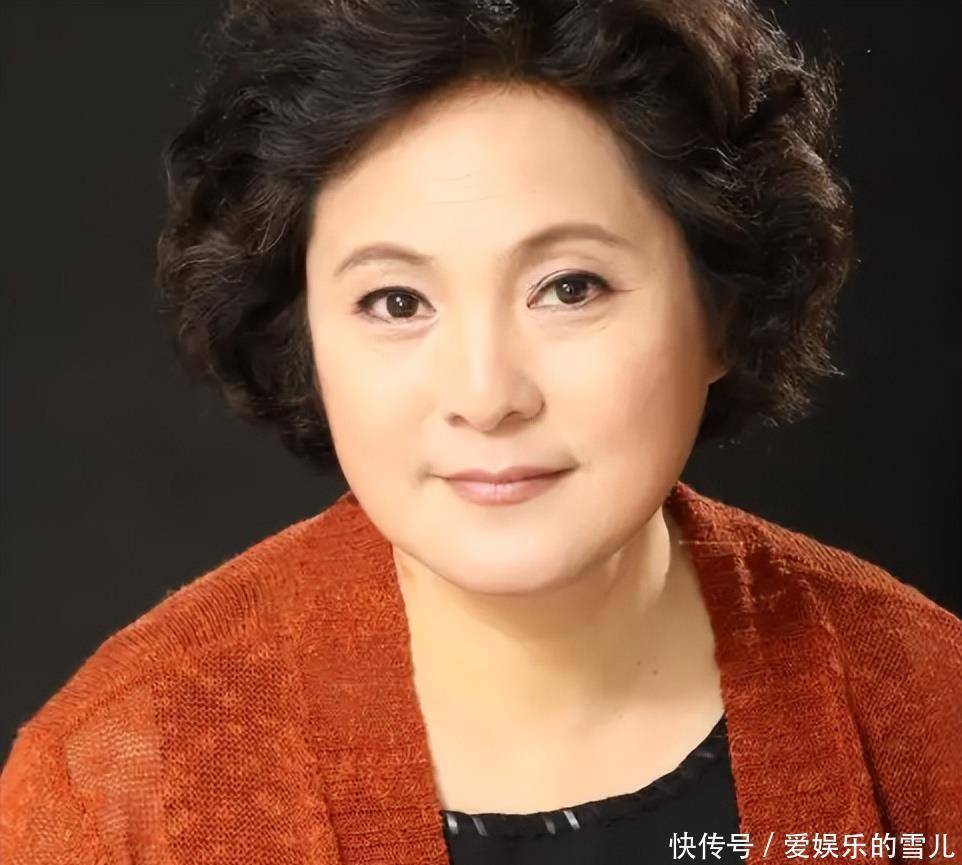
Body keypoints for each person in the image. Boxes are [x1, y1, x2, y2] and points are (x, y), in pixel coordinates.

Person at [2, 0, 960, 863]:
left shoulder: (928, 706)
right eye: (395, 300)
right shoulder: (113, 787)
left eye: (570, 287)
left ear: (722, 311)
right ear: (304, 339)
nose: (486, 395)